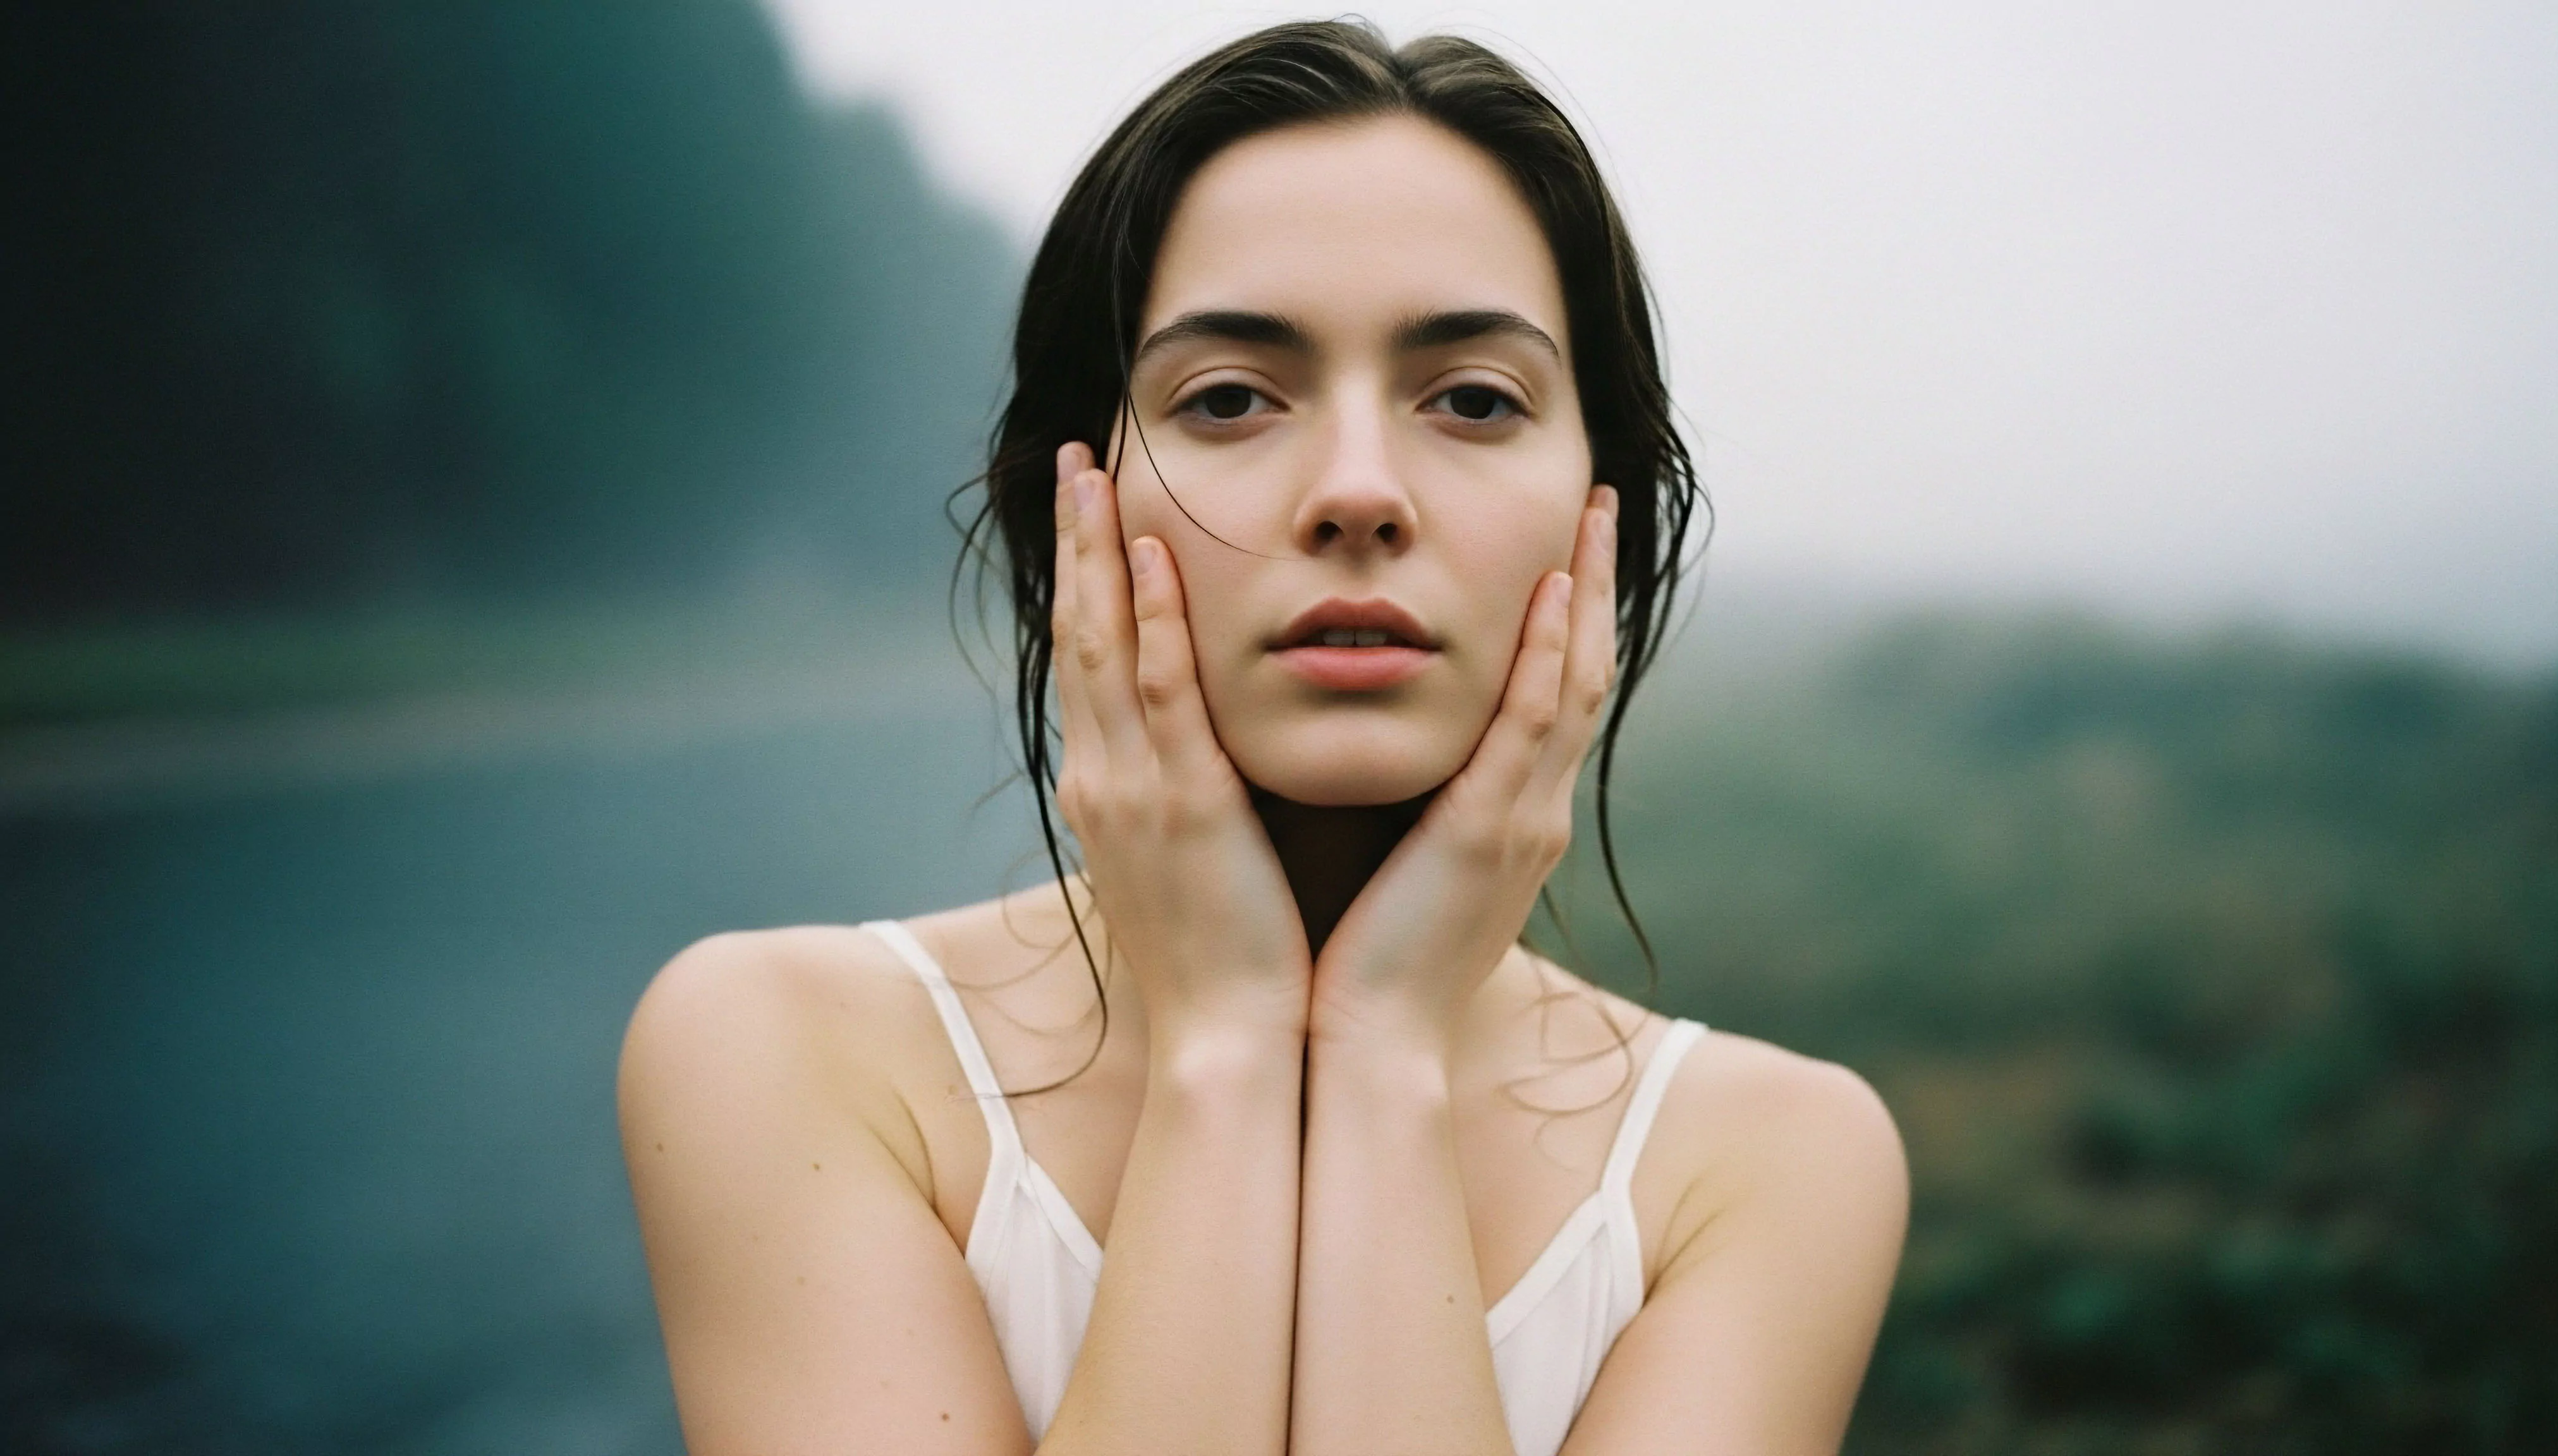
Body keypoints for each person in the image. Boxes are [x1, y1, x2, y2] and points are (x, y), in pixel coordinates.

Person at [618, 20, 1906, 1455]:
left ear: (1602, 516)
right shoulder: (792, 1057)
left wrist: (1379, 1052)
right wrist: (1228, 1041)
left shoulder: (1765, 1165)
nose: (1357, 494)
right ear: (1076, 501)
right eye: (1229, 399)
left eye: (1474, 401)